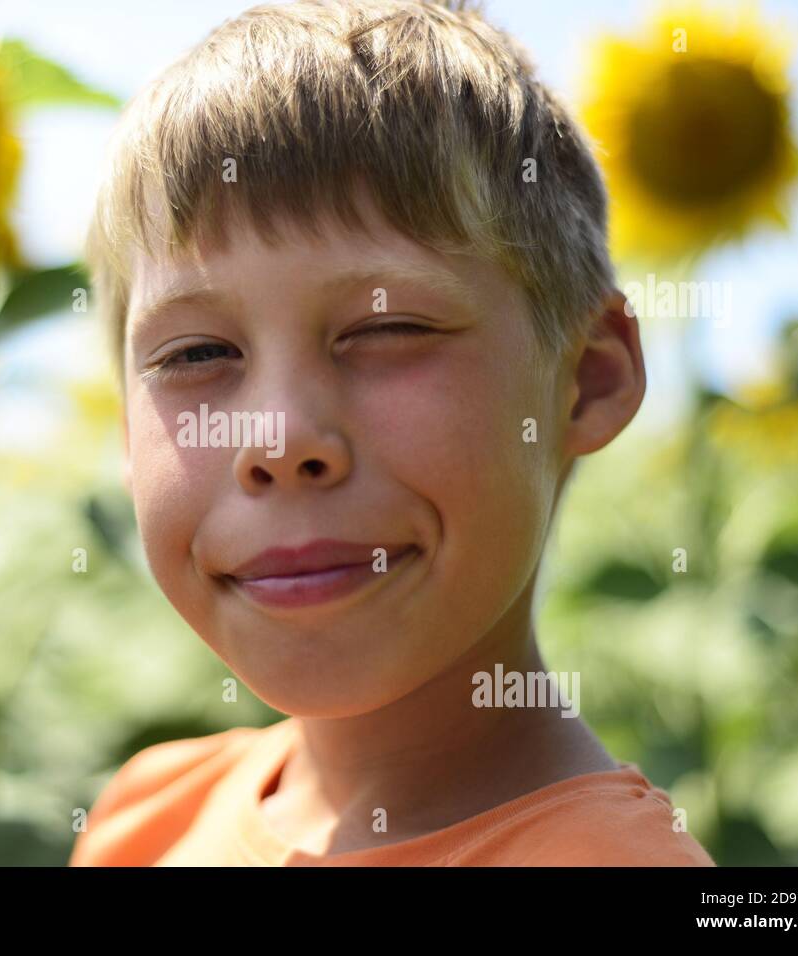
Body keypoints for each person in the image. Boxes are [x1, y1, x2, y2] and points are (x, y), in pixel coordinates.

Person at [69, 0, 715, 866]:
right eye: (197, 353)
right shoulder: (145, 819)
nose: (281, 438)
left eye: (384, 331)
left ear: (588, 378)